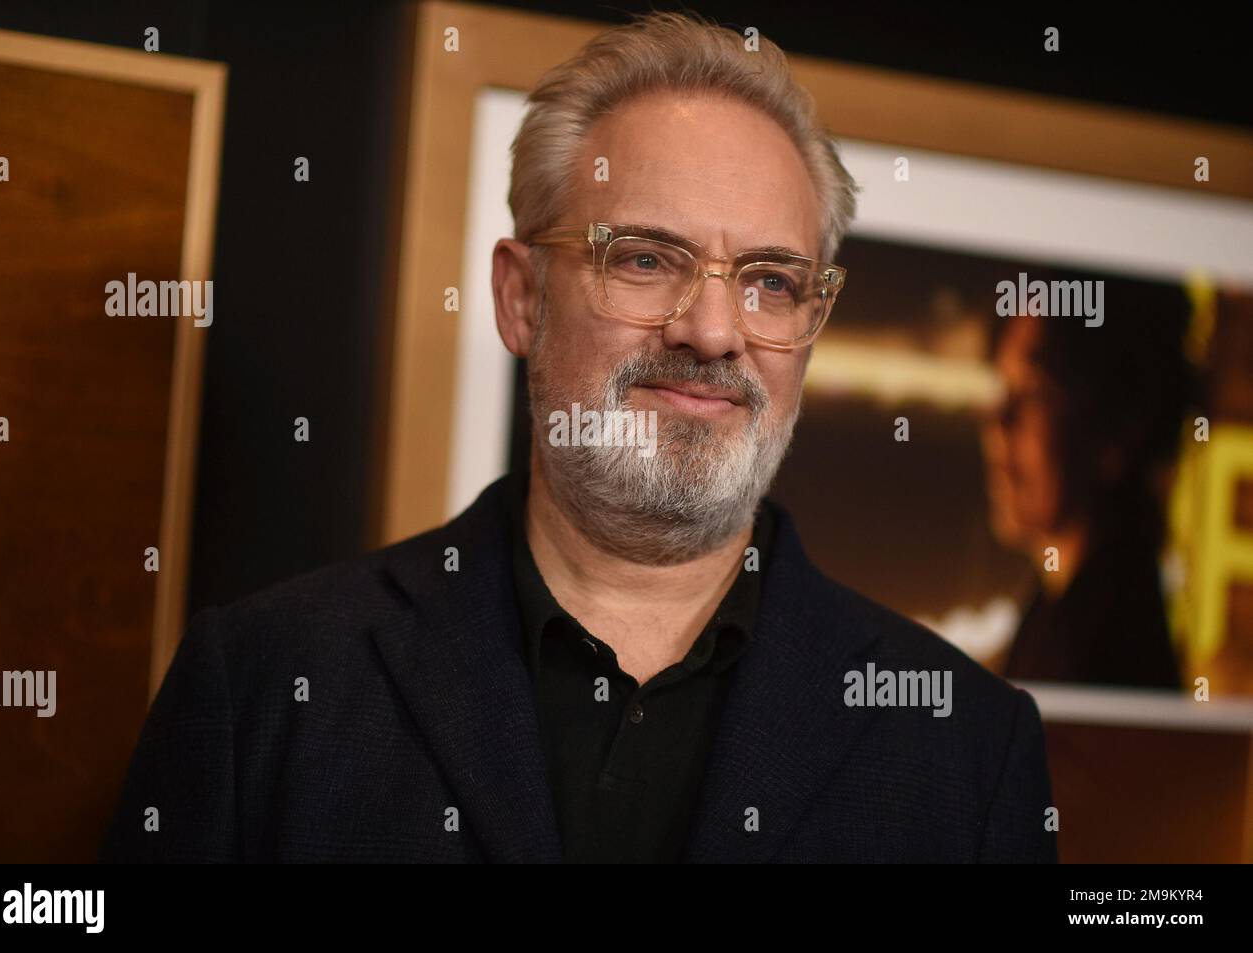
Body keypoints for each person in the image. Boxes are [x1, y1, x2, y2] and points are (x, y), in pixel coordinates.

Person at [101, 11, 1055, 863]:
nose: (713, 331)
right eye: (645, 258)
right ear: (522, 298)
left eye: (770, 281)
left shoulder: (968, 748)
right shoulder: (268, 685)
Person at [984, 281, 1193, 689]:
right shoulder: (1061, 613)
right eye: (1004, 388)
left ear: (1119, 424)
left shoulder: (1102, 654)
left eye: (1036, 391)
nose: (998, 424)